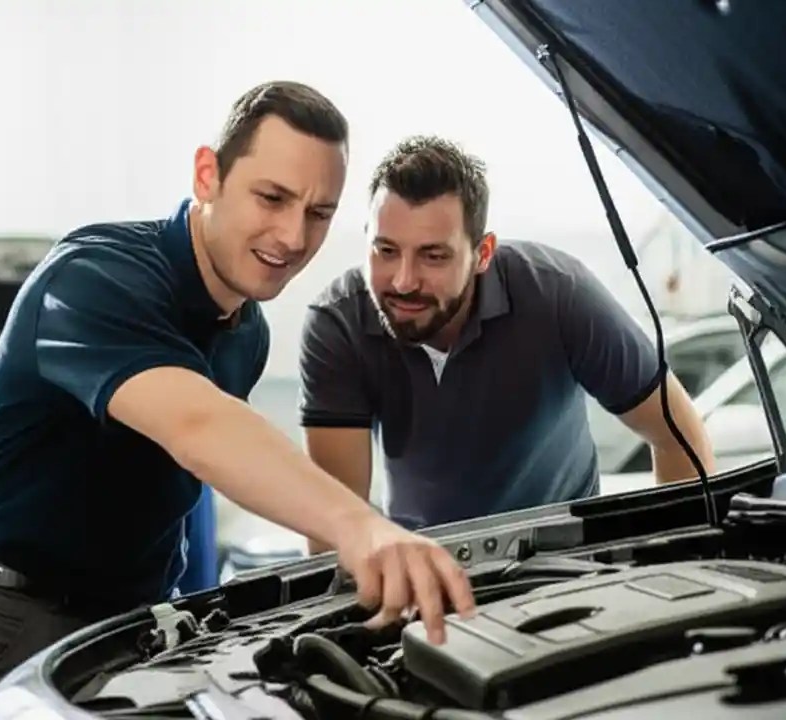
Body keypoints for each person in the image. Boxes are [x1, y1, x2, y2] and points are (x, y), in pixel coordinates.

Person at [0, 84, 476, 720]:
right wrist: (360, 526)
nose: (292, 236)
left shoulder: (245, 330)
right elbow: (198, 425)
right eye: (272, 197)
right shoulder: (95, 278)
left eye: (318, 212)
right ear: (209, 175)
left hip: (128, 630)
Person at [298, 135, 715, 547]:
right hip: (424, 576)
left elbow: (678, 435)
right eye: (386, 251)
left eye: (434, 256)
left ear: (482, 253)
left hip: (566, 569)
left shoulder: (560, 294)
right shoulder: (338, 323)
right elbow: (335, 525)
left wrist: (678, 561)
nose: (404, 280)